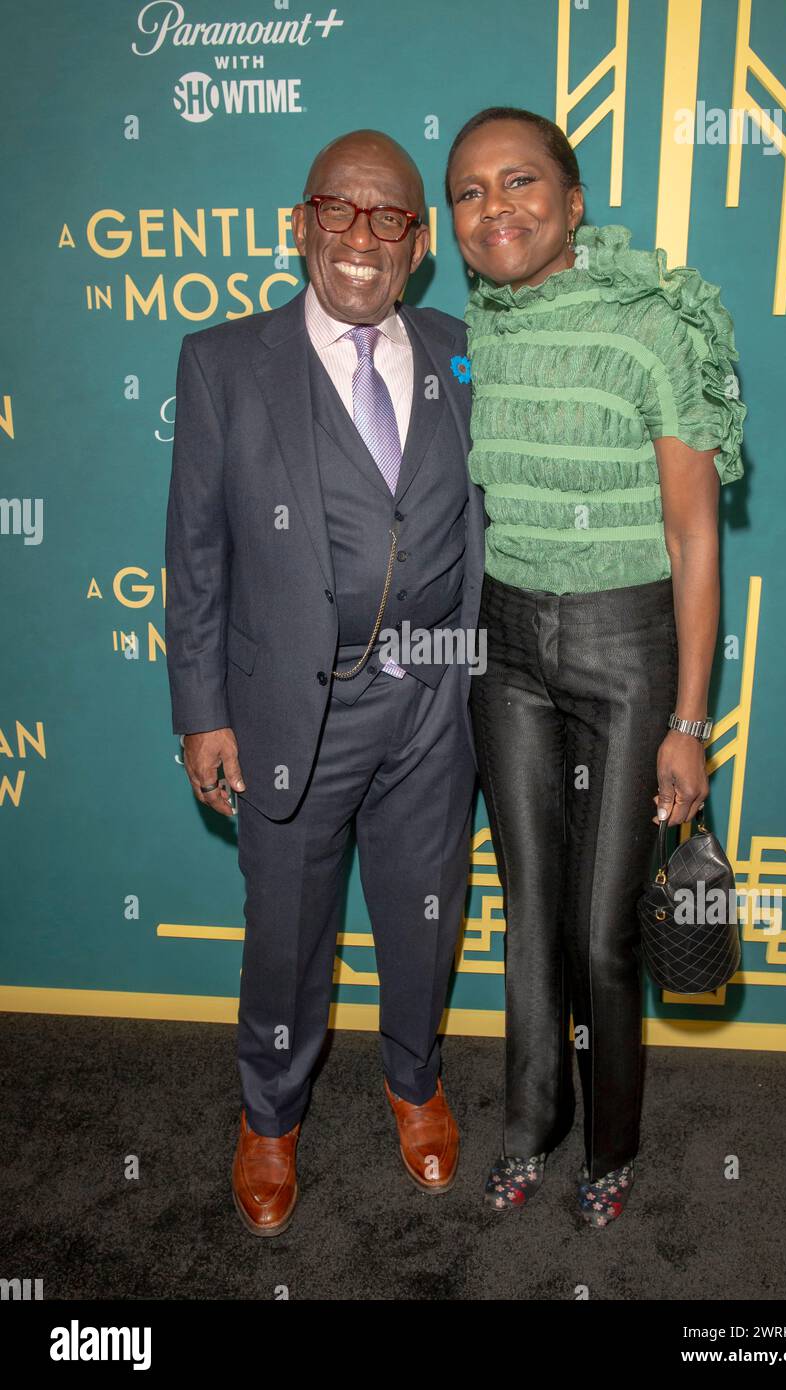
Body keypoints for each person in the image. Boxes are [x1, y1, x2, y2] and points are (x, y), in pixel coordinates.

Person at [165, 129, 486, 1236]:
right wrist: (201, 709)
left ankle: (414, 1081)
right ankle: (269, 1117)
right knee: (285, 931)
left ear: (420, 241)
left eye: (388, 216)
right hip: (285, 710)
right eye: (337, 212)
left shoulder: (461, 351)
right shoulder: (222, 362)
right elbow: (196, 554)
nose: (361, 236)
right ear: (301, 224)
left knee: (421, 919)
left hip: (435, 705)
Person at [445, 107, 746, 1226]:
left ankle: (608, 1142)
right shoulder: (482, 329)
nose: (494, 210)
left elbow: (693, 538)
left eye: (520, 182)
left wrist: (687, 719)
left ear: (573, 202)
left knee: (598, 928)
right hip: (506, 644)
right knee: (529, 912)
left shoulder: (655, 328)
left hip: (627, 649)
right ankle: (532, 1122)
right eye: (468, 192)